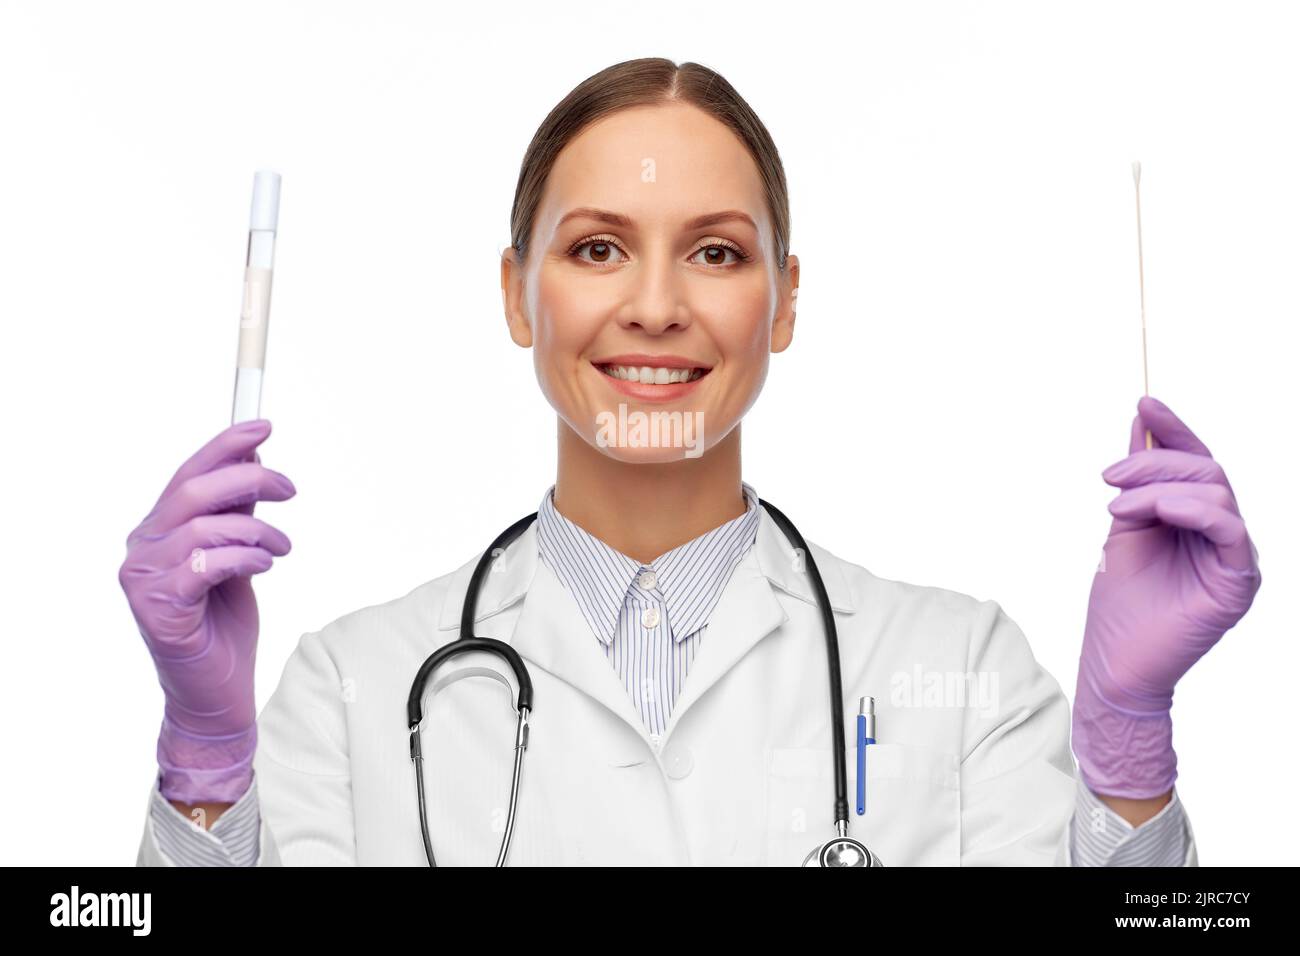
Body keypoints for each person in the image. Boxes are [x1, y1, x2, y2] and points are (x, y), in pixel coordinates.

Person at [120, 57, 1260, 866]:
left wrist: (1125, 739)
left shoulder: (962, 674)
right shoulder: (351, 689)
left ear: (785, 300)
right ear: (517, 294)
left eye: (715, 251)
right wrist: (208, 759)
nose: (656, 306)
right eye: (598, 247)